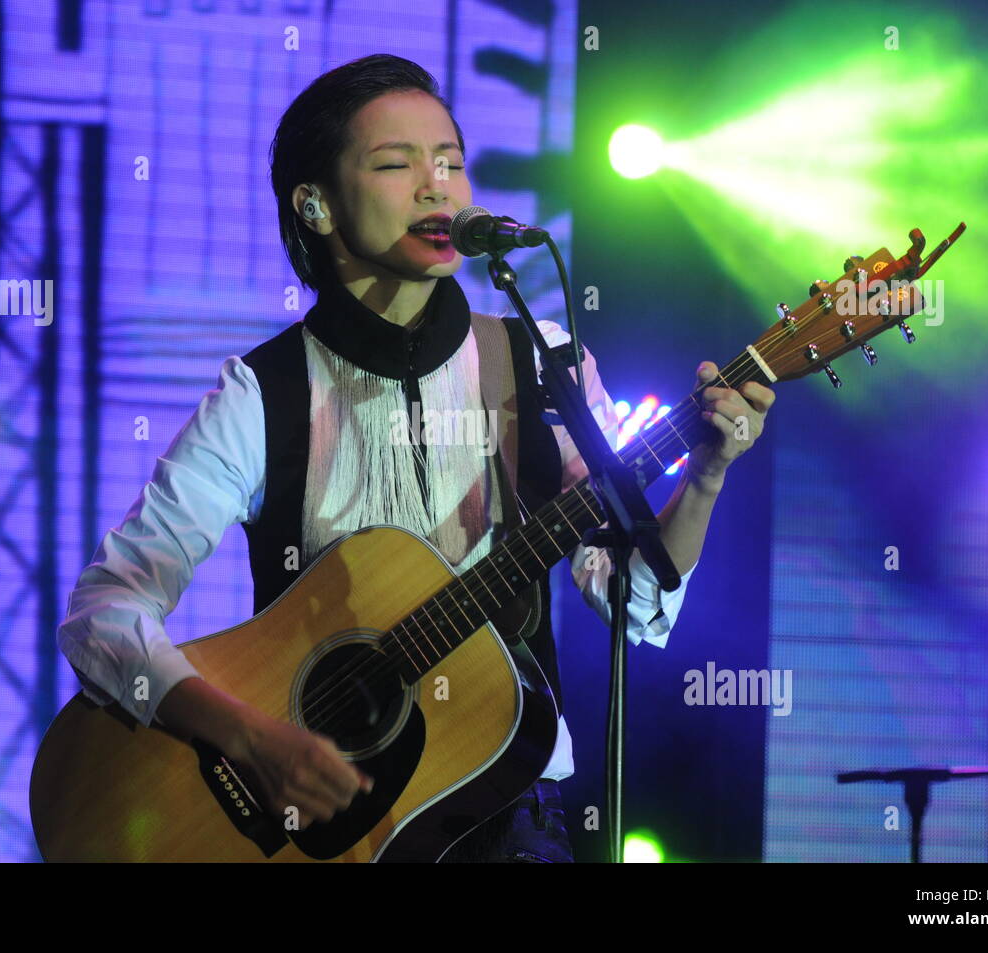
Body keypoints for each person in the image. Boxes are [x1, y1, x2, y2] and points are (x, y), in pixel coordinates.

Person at [57, 53, 774, 862]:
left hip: (513, 815)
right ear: (317, 206)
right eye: (397, 165)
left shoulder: (542, 363)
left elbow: (634, 599)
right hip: (326, 835)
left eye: (452, 163)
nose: (438, 188)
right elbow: (103, 612)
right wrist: (251, 736)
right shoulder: (264, 394)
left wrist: (707, 475)